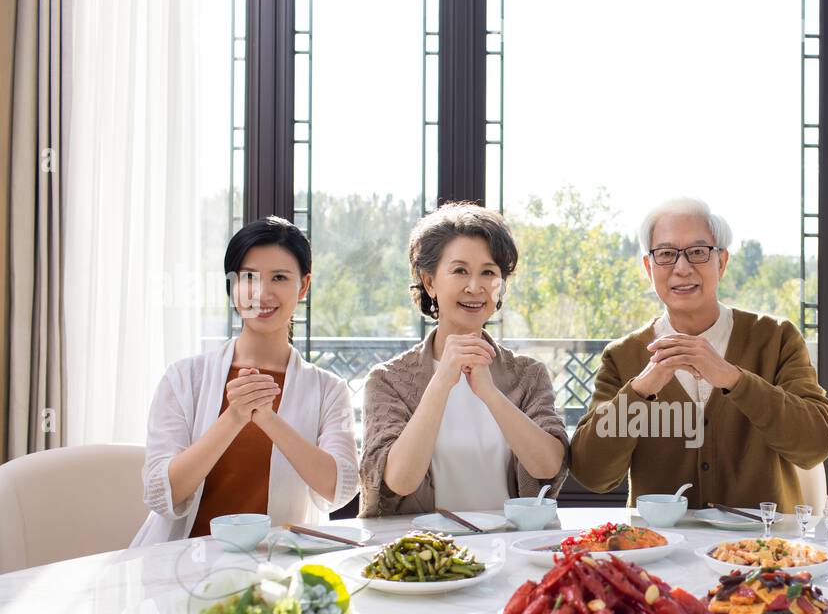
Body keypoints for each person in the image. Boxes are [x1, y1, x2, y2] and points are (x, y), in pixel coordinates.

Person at [569, 197, 828, 512]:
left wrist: (732, 378)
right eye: (666, 254)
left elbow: (816, 444)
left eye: (697, 252)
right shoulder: (622, 356)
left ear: (721, 262)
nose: (682, 268)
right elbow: (592, 473)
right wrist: (640, 391)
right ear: (648, 267)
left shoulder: (776, 338)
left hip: (762, 551)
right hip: (659, 551)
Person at [133, 217, 359, 545]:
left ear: (304, 286)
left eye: (279, 277)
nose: (262, 293)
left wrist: (268, 419)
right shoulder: (184, 379)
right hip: (181, 565)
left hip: (277, 572)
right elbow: (160, 495)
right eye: (248, 277)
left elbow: (338, 489)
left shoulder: (328, 390)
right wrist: (235, 416)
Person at [359, 203, 567, 516]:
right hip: (425, 556)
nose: (474, 287)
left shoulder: (528, 374)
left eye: (488, 273)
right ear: (429, 282)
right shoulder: (387, 380)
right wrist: (442, 380)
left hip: (509, 545)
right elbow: (399, 480)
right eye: (460, 271)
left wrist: (490, 394)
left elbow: (547, 466)